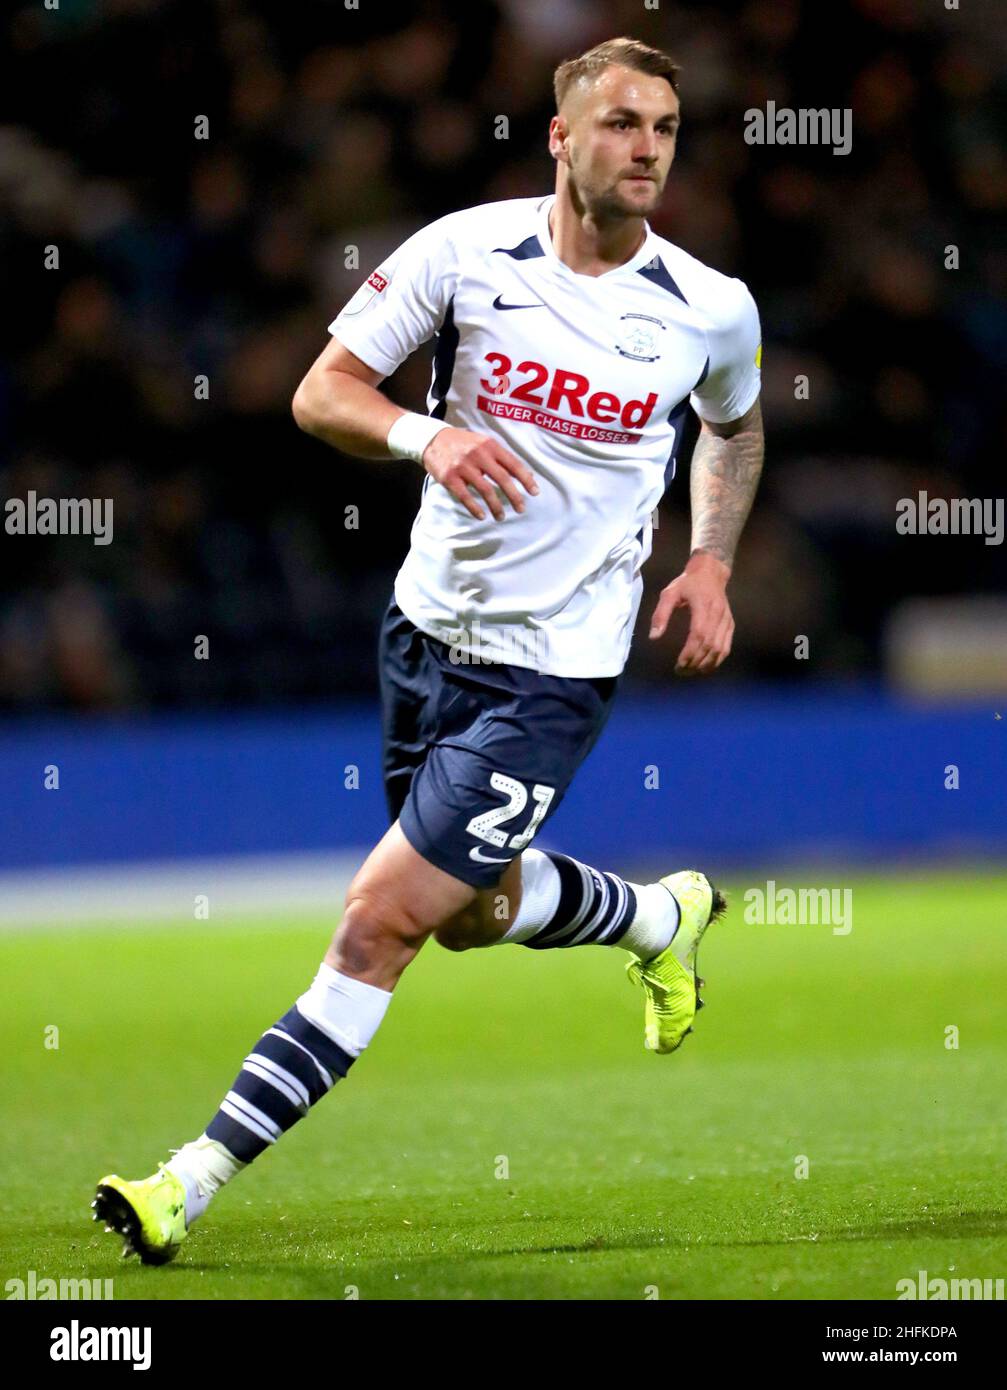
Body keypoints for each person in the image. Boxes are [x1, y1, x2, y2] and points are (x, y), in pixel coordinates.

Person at [93, 35, 764, 1265]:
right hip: (422, 632)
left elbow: (734, 425)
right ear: (559, 137)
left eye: (665, 127)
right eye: (620, 123)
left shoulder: (708, 306)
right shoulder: (464, 253)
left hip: (552, 674)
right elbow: (320, 392)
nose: (648, 148)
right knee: (467, 913)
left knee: (382, 919)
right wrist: (424, 438)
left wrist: (709, 555)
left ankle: (182, 1183)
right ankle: (655, 919)